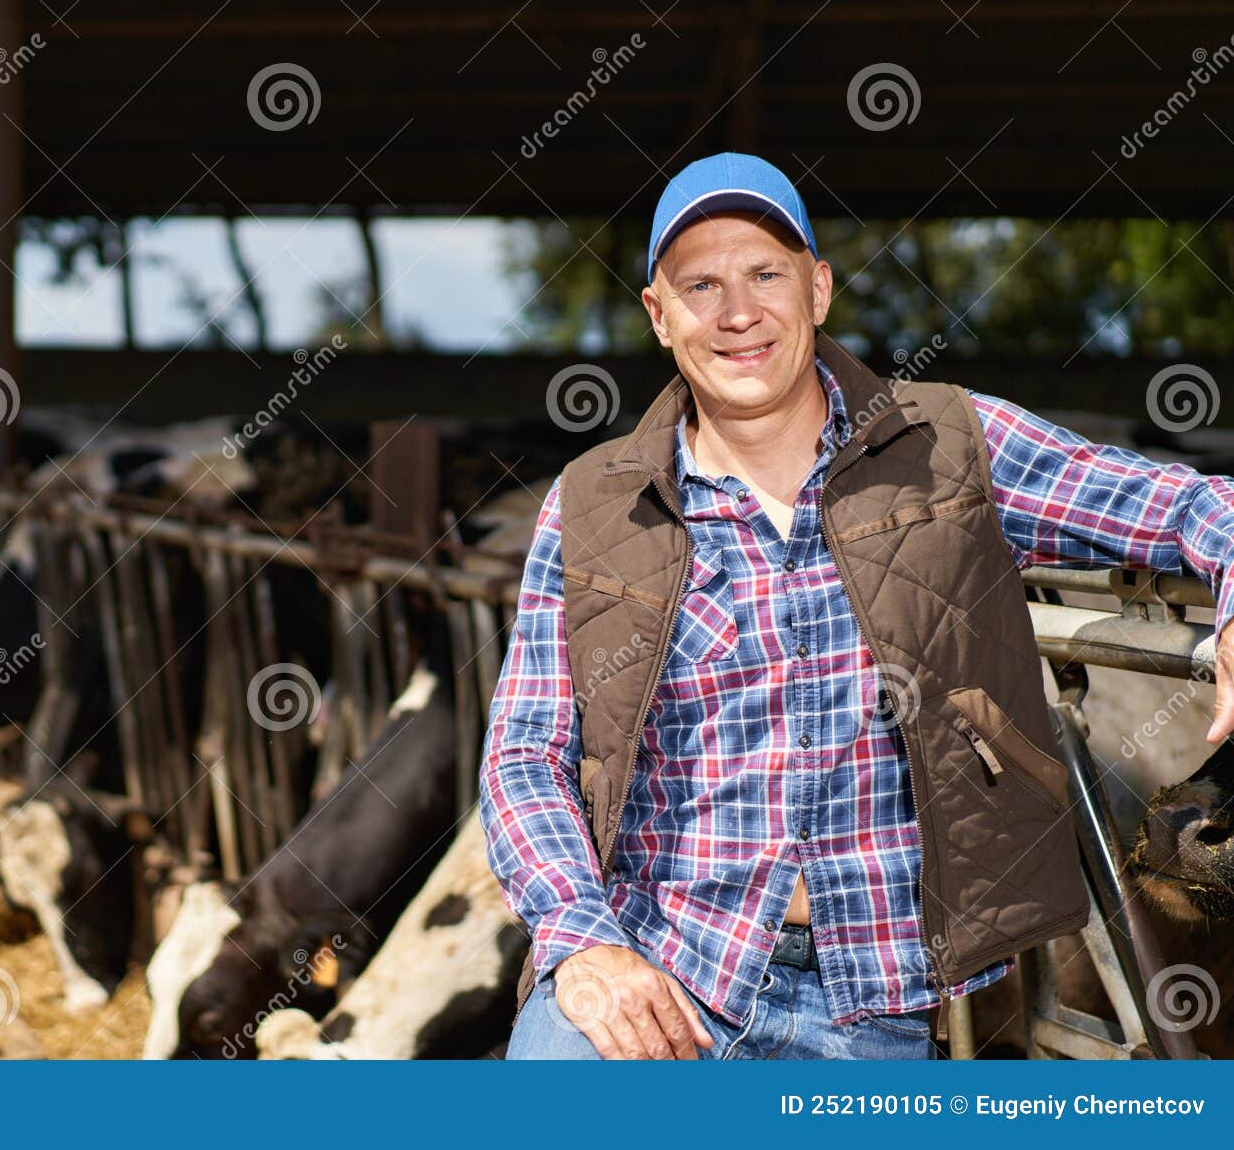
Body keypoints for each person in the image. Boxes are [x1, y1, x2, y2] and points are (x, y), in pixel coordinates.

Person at [479, 151, 1234, 1060]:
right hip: (659, 974)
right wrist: (582, 939)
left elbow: (1189, 502)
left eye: (766, 275)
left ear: (819, 289)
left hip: (873, 1008)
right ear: (659, 314)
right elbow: (524, 753)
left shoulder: (949, 444)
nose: (738, 312)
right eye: (701, 285)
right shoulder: (591, 503)